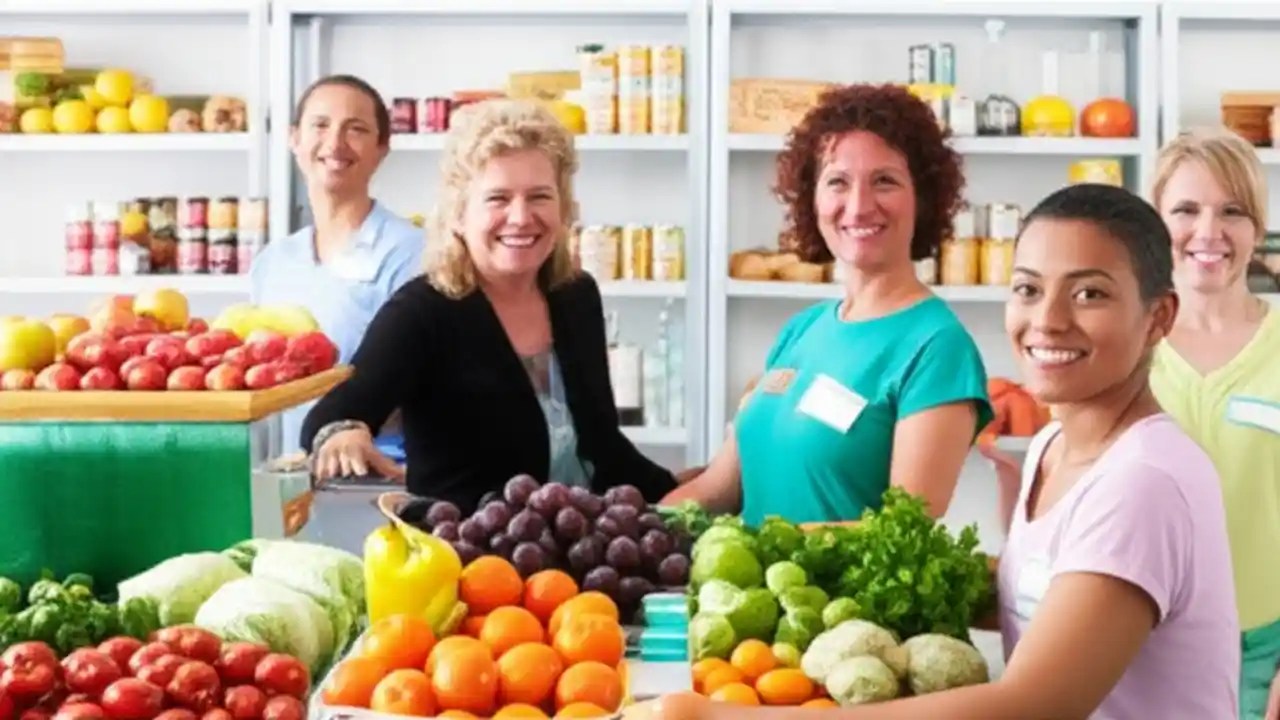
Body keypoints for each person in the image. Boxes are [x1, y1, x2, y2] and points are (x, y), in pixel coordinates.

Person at [635, 184, 1242, 720]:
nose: (1048, 320)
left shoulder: (1143, 481)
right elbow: (1038, 597)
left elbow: (1035, 705)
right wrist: (807, 557)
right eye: (1028, 289)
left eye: (1089, 294)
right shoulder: (1054, 445)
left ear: (1158, 317)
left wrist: (725, 718)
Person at [300, 98, 677, 512]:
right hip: (461, 546)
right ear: (459, 216)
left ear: (564, 209)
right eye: (498, 198)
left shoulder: (575, 296)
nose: (521, 217)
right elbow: (330, 417)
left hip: (579, 541)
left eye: (539, 196)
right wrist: (344, 434)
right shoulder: (423, 311)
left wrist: (691, 490)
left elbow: (602, 447)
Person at [663, 83, 991, 525]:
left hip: (814, 577)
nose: (859, 206)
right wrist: (626, 525)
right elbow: (717, 488)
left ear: (924, 198)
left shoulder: (938, 349)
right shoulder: (801, 330)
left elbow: (903, 532)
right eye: (838, 181)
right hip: (748, 572)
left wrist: (776, 550)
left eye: (885, 181)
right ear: (812, 197)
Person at [1149, 127, 1280, 720]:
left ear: (1258, 227)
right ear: (1156, 222)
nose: (1209, 232)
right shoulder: (1123, 345)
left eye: (1232, 212)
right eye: (1186, 210)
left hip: (1261, 656)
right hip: (1135, 648)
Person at [251, 74, 423, 454]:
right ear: (294, 138)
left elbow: (427, 385)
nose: (334, 143)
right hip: (289, 470)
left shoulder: (411, 253)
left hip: (378, 473)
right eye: (320, 125)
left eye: (356, 129)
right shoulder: (273, 263)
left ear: (382, 148)